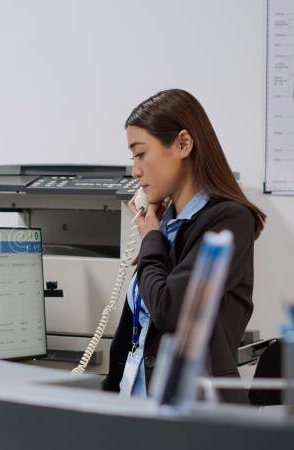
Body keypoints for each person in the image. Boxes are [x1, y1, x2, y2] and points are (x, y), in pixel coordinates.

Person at [103, 89, 266, 403]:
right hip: (137, 411)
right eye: (132, 157)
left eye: (141, 153)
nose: (135, 170)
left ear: (183, 144)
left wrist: (151, 237)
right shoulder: (166, 226)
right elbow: (133, 334)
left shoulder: (229, 221)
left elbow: (171, 310)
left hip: (195, 416)